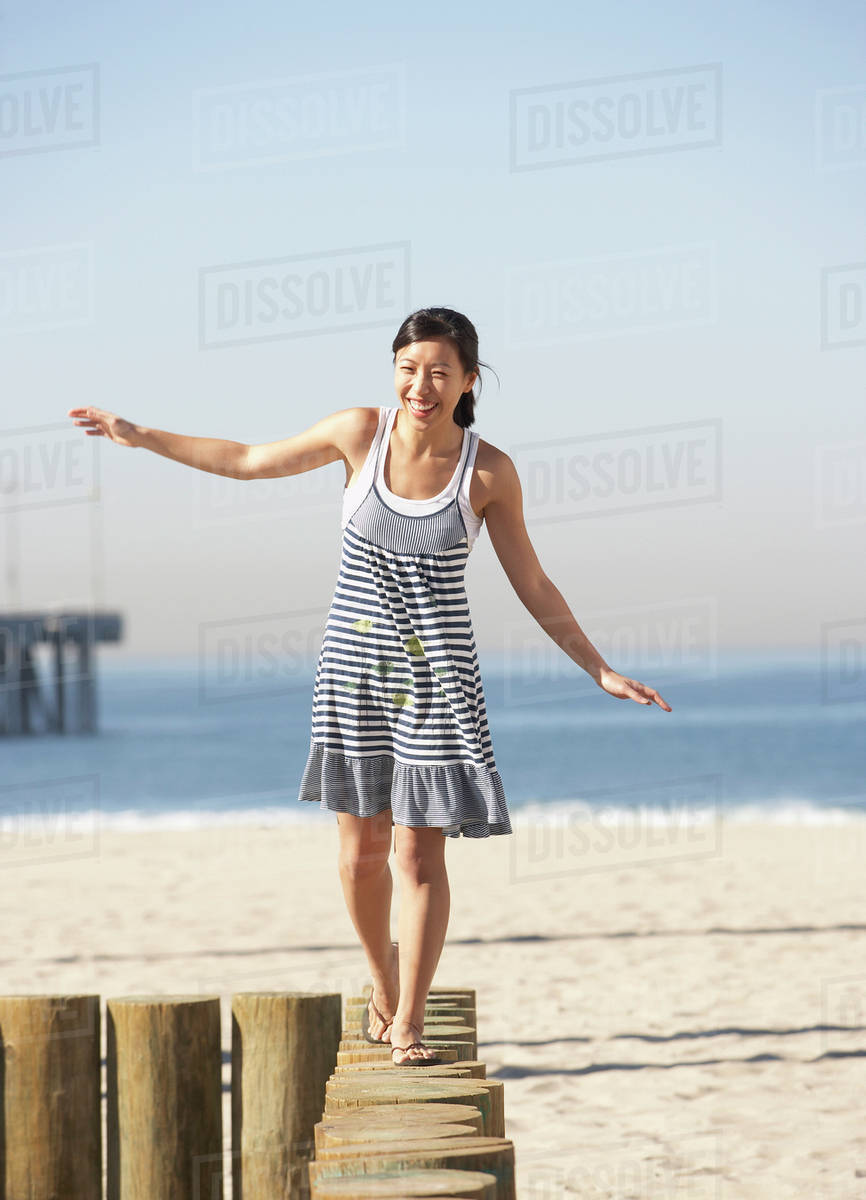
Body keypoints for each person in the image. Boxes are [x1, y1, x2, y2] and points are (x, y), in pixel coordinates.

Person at [68, 305, 671, 1066]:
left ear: (468, 383)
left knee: (420, 858)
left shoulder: (488, 472)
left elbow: (534, 582)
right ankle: (382, 977)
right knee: (360, 856)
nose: (421, 385)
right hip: (353, 675)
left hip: (439, 680)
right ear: (395, 372)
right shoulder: (358, 433)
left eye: (439, 372)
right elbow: (249, 459)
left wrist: (599, 667)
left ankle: (410, 1021)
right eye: (409, 368)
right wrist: (142, 435)